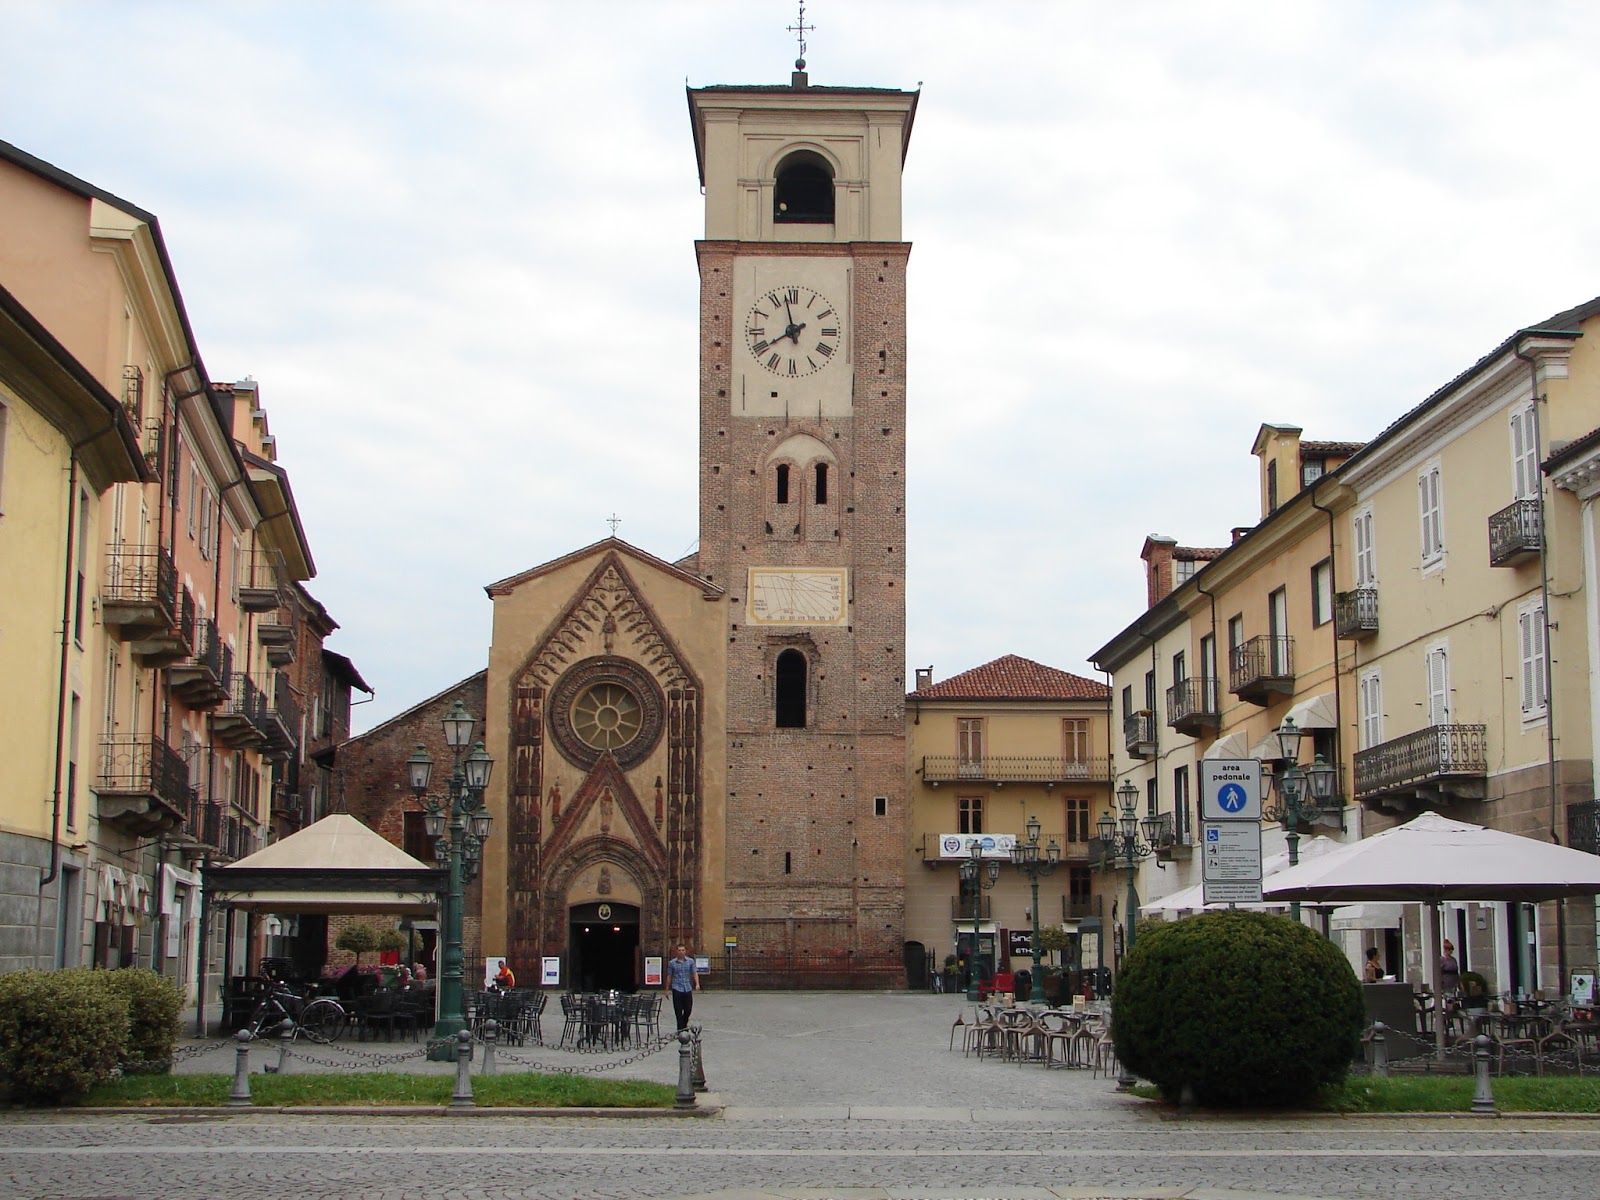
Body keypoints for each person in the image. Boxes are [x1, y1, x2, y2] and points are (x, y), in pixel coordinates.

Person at [665, 943, 700, 1032]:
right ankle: (681, 1030)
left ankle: (684, 1024)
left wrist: (697, 984)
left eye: (683, 950)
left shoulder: (690, 961)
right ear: (677, 951)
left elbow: (694, 972)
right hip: (677, 988)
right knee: (678, 1010)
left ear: (685, 951)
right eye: (679, 950)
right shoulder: (672, 963)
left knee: (688, 1008)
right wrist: (667, 989)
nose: (681, 952)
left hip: (687, 987)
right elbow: (669, 976)